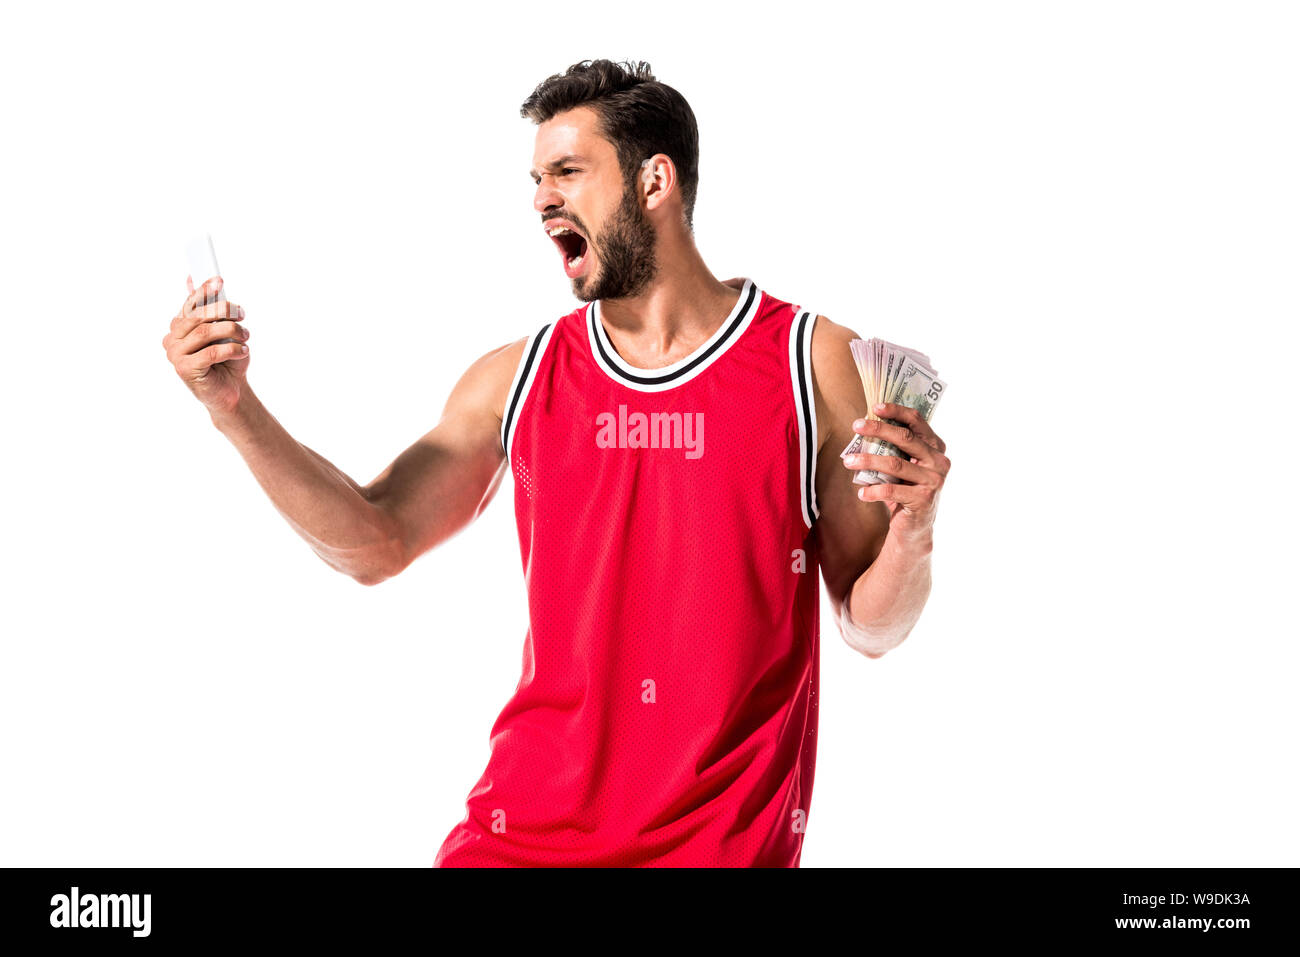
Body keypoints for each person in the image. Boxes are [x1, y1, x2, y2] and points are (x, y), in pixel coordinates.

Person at [160, 59, 951, 867]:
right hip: (514, 844)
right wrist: (235, 410)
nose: (542, 199)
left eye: (568, 172)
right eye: (536, 178)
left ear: (655, 181)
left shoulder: (811, 365)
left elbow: (870, 622)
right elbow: (376, 540)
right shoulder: (521, 376)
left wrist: (913, 529)